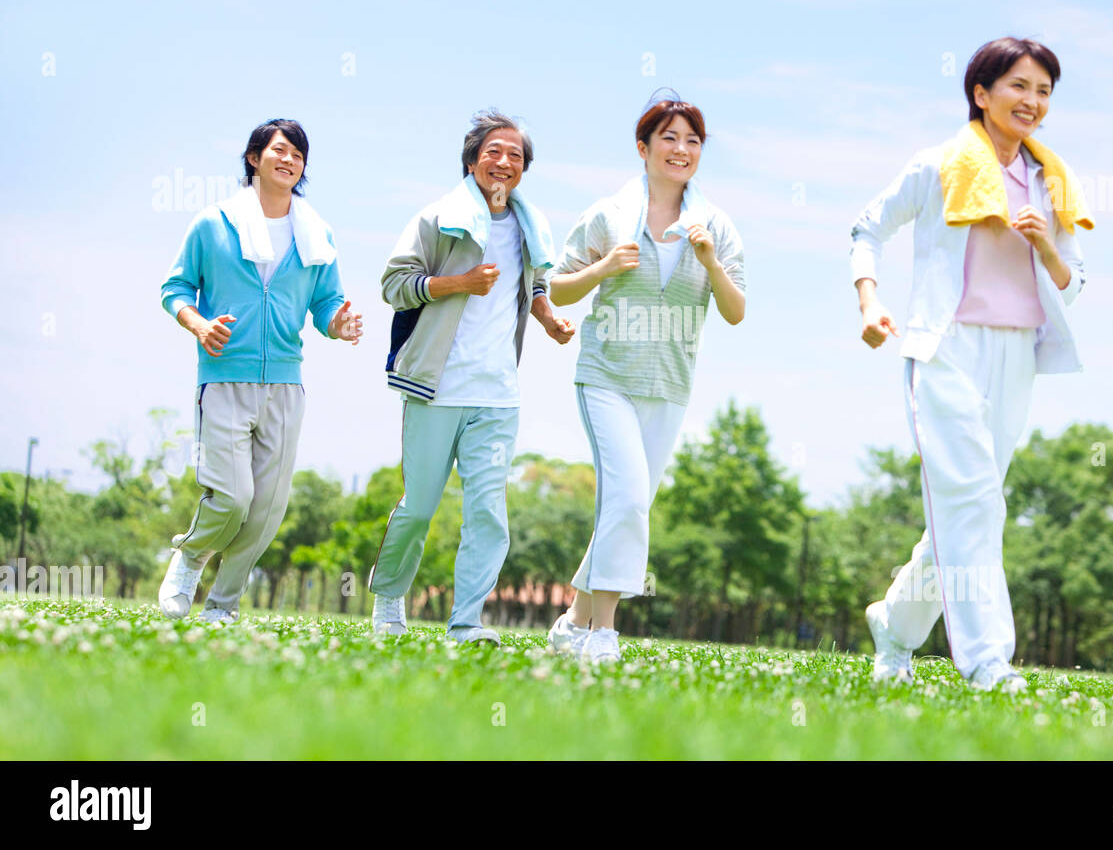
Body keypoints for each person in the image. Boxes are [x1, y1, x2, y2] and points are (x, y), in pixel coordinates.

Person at [851, 38, 1094, 693]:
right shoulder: (937, 166)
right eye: (1020, 86)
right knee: (975, 500)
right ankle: (988, 660)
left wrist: (1046, 245)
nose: (1033, 102)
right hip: (945, 347)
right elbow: (868, 229)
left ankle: (896, 626)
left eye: (1044, 91)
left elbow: (1075, 285)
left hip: (1017, 354)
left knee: (968, 509)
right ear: (981, 93)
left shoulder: (1051, 182)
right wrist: (870, 301)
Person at [547, 92, 746, 664]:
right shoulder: (608, 214)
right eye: (669, 138)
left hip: (670, 385)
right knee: (629, 498)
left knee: (626, 506)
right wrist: (605, 266)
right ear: (644, 148)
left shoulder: (717, 226)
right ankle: (602, 632)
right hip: (607, 375)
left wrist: (710, 262)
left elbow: (735, 311)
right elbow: (555, 288)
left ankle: (572, 620)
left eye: (692, 141)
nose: (681, 149)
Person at [369, 111, 575, 642]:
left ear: (524, 169)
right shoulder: (438, 218)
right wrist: (456, 283)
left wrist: (549, 319)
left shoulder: (531, 229)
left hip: (498, 396)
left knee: (488, 514)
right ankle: (390, 598)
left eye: (515, 156)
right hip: (435, 389)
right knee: (417, 508)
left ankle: (465, 623)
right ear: (471, 161)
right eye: (494, 152)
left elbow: (533, 288)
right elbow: (394, 286)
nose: (504, 162)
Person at [159, 119, 363, 624]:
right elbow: (175, 289)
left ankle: (222, 607)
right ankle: (188, 558)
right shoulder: (214, 222)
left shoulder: (318, 233)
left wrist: (338, 323)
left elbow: (326, 302)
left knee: (267, 508)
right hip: (225, 377)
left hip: (286, 385)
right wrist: (199, 325)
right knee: (232, 498)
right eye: (279, 150)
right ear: (255, 159)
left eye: (298, 154)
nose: (289, 159)